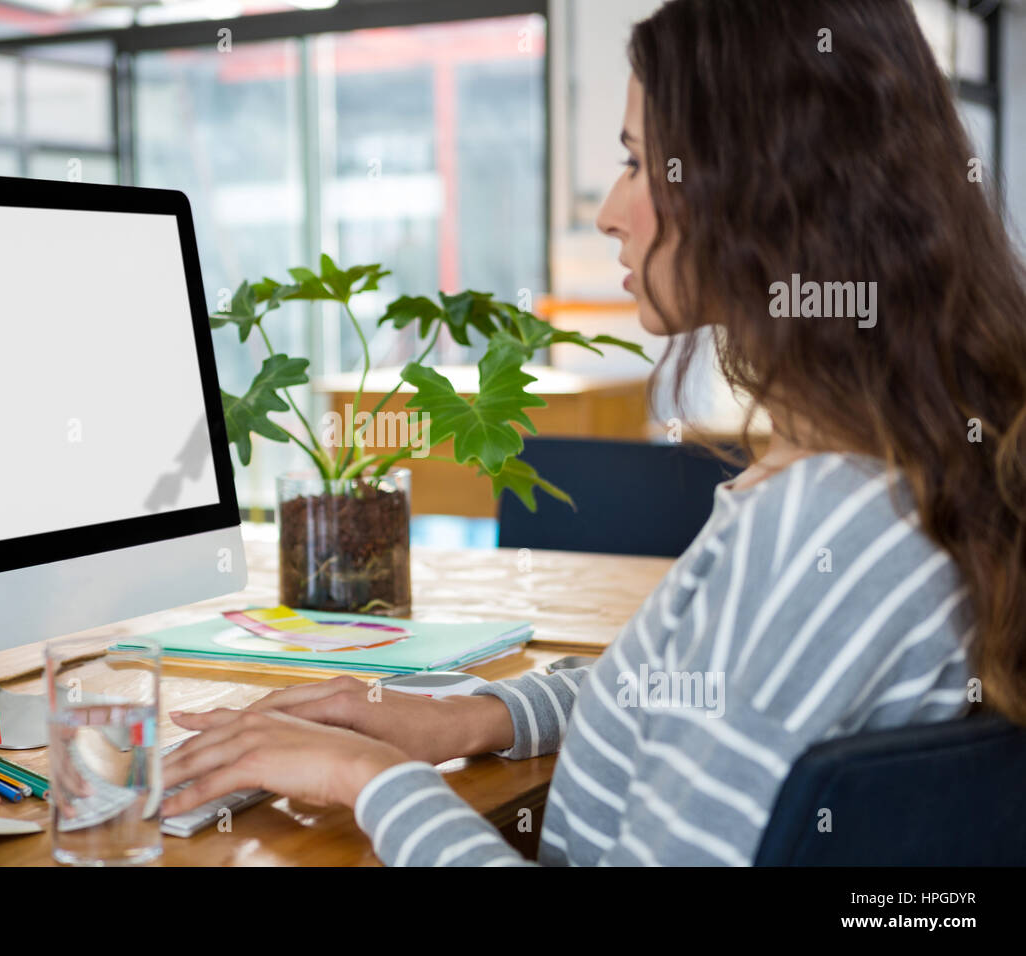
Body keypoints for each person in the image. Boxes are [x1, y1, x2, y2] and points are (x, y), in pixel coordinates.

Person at [161, 0, 1026, 865]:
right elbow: (705, 704)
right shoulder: (904, 475)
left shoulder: (821, 530)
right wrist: (476, 715)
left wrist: (367, 779)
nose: (611, 210)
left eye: (637, 162)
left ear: (759, 188)